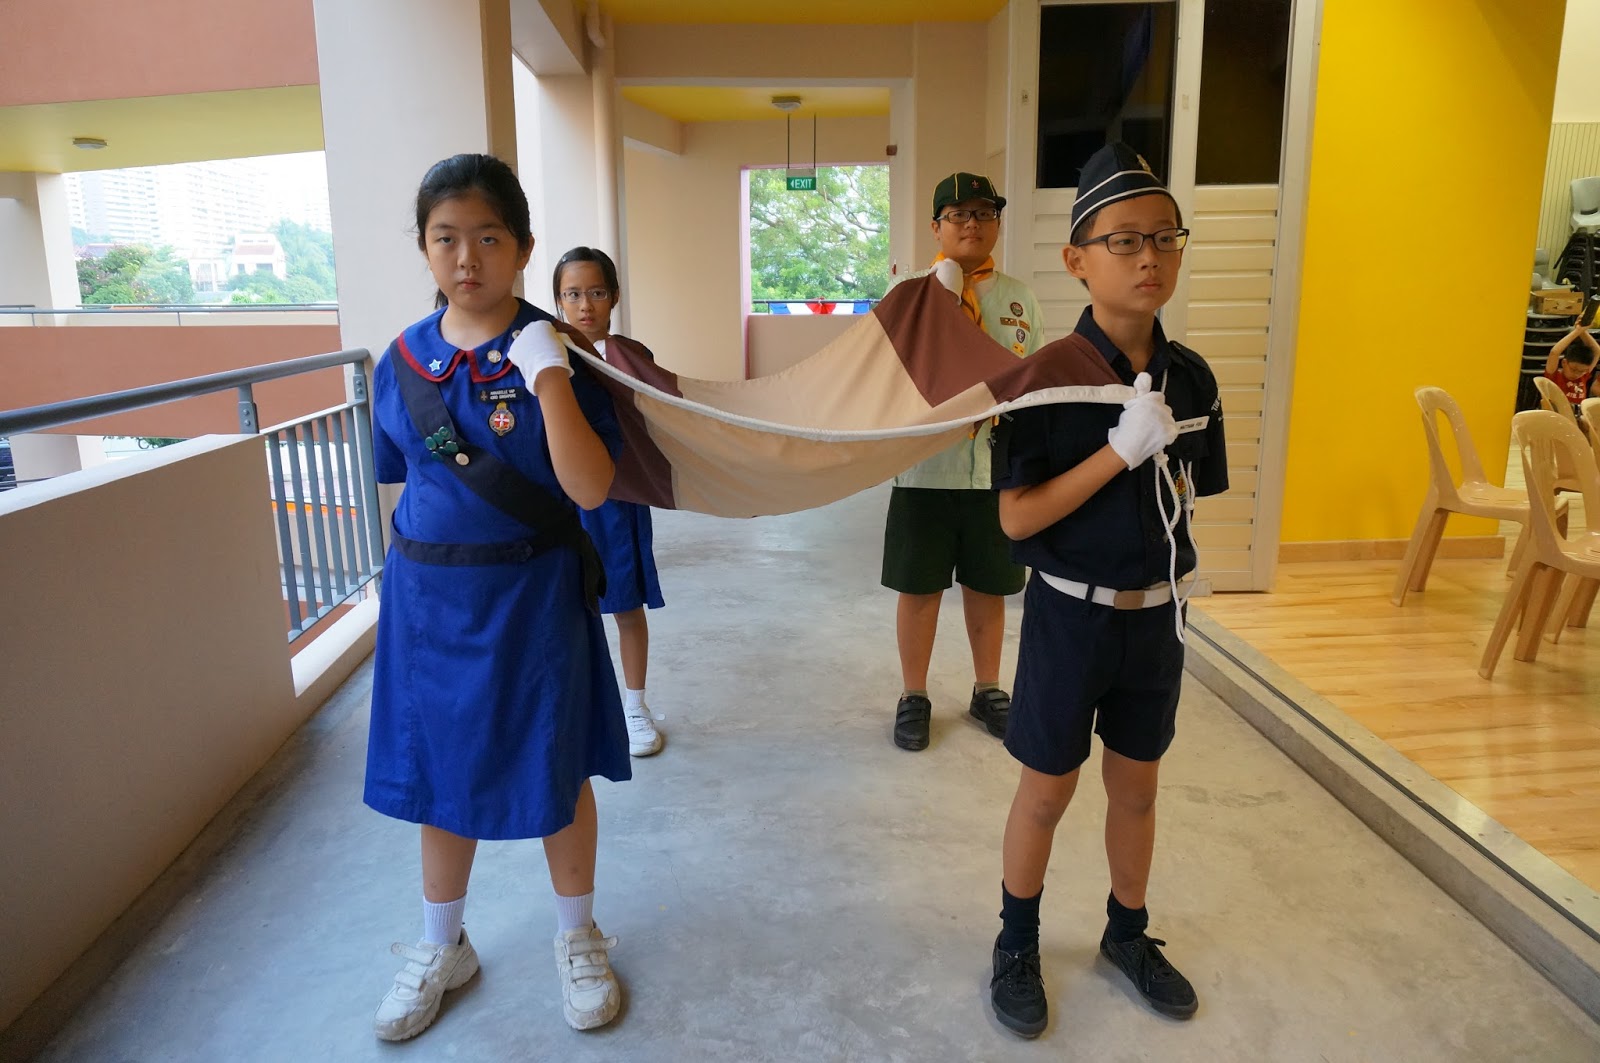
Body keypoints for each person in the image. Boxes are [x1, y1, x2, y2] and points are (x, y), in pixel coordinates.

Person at [365, 154, 630, 1040]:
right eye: (447, 239)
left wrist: (549, 372)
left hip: (534, 592)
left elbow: (590, 490)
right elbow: (401, 482)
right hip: (430, 603)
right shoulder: (401, 362)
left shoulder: (558, 352)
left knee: (558, 767)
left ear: (520, 248)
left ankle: (578, 933)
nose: (466, 257)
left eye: (487, 237)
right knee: (442, 776)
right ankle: (444, 944)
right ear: (424, 248)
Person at [984, 143, 1229, 1037]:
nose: (1148, 258)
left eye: (1164, 238)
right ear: (1076, 259)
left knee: (1138, 786)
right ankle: (1015, 942)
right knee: (1046, 790)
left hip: (1156, 621)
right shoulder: (1042, 378)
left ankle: (1127, 933)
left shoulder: (1192, 378)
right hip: (1067, 617)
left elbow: (1193, 497)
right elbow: (1015, 520)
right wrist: (1115, 453)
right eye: (1123, 241)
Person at [883, 172, 1046, 752]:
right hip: (925, 470)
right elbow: (892, 377)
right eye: (957, 214)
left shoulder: (1020, 296)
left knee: (989, 587)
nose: (971, 224)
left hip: (995, 473)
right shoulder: (909, 296)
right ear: (936, 227)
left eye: (983, 213)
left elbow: (1034, 383)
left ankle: (987, 689)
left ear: (997, 223)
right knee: (919, 589)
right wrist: (942, 296)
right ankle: (913, 695)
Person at [553, 245, 666, 756]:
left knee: (625, 605)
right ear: (558, 302)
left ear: (614, 297)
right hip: (560, 503)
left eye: (596, 292)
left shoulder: (633, 356)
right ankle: (570, 709)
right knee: (563, 608)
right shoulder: (546, 353)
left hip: (619, 500)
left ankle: (634, 707)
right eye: (572, 294)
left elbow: (658, 419)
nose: (585, 305)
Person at [1543, 322, 1599, 414]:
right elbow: (1554, 352)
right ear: (1564, 363)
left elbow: (1596, 351)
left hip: (1577, 415)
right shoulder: (1554, 376)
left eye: (1582, 371)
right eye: (1573, 369)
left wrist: (1583, 331)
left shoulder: (1584, 376)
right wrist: (1577, 331)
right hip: (1559, 417)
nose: (1577, 374)